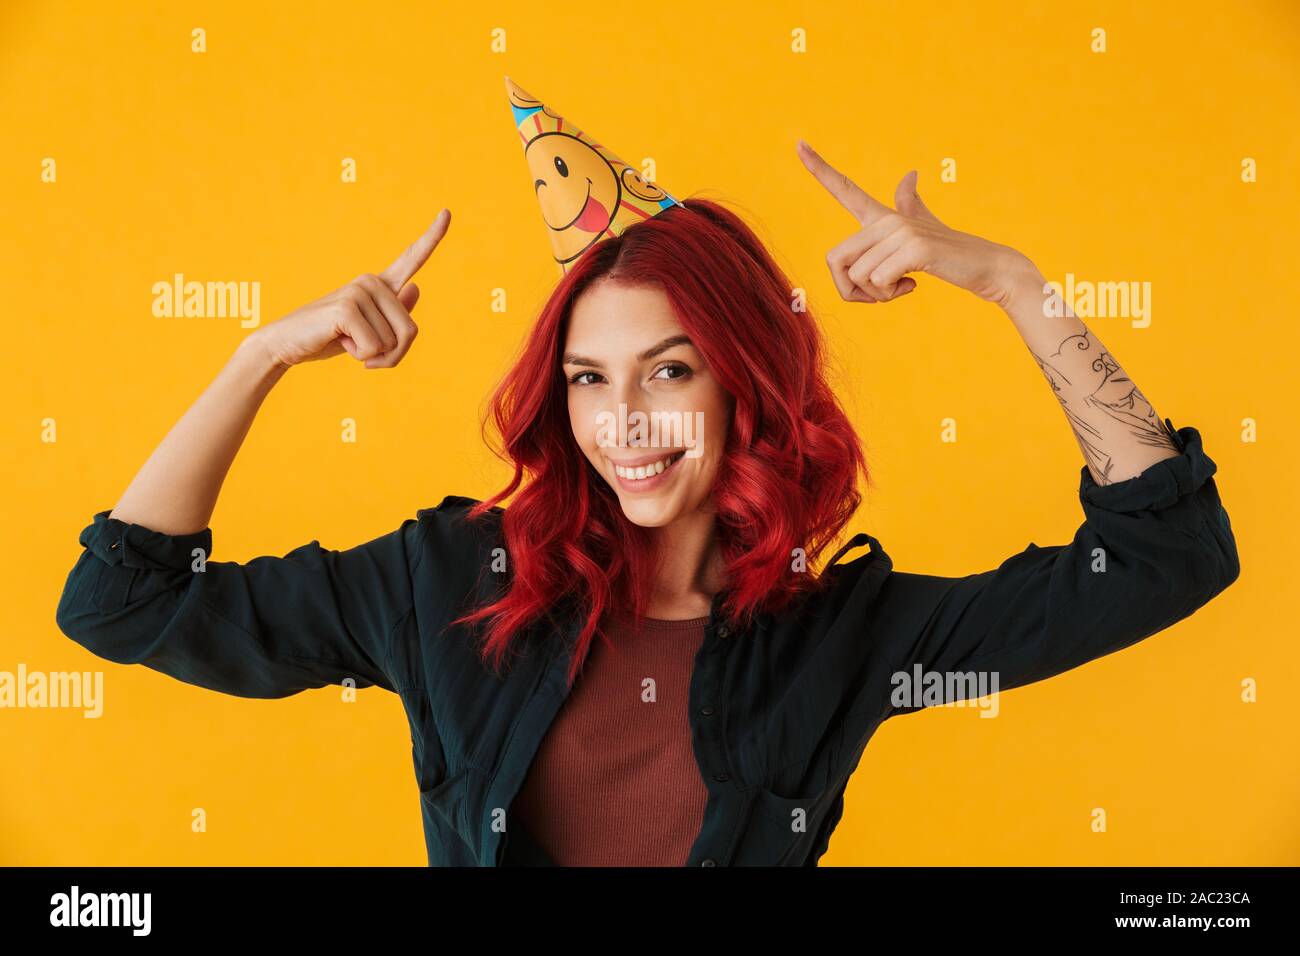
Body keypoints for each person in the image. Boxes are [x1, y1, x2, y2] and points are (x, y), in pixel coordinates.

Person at [55, 89, 1240, 867]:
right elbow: (122, 603)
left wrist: (1018, 288)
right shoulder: (447, 583)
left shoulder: (843, 634)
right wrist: (259, 354)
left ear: (740, 386)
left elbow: (1163, 556)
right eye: (586, 378)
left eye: (667, 371)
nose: (622, 420)